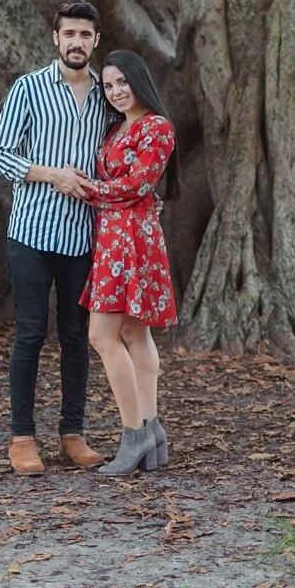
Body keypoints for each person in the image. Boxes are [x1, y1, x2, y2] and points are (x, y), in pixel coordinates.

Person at [0, 0, 111, 476]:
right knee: (31, 334)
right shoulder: (29, 89)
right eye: (69, 34)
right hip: (33, 231)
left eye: (85, 35)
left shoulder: (108, 93)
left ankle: (72, 434)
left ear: (96, 41)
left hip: (83, 236)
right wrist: (50, 175)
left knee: (77, 336)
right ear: (55, 39)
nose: (77, 42)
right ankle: (22, 439)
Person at [80, 50, 180, 476]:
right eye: (109, 85)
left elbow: (140, 183)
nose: (117, 91)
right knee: (132, 333)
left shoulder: (156, 127)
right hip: (115, 233)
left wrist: (86, 190)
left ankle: (133, 433)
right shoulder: (116, 128)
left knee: (103, 336)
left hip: (131, 238)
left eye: (123, 82)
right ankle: (152, 430)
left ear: (139, 80)